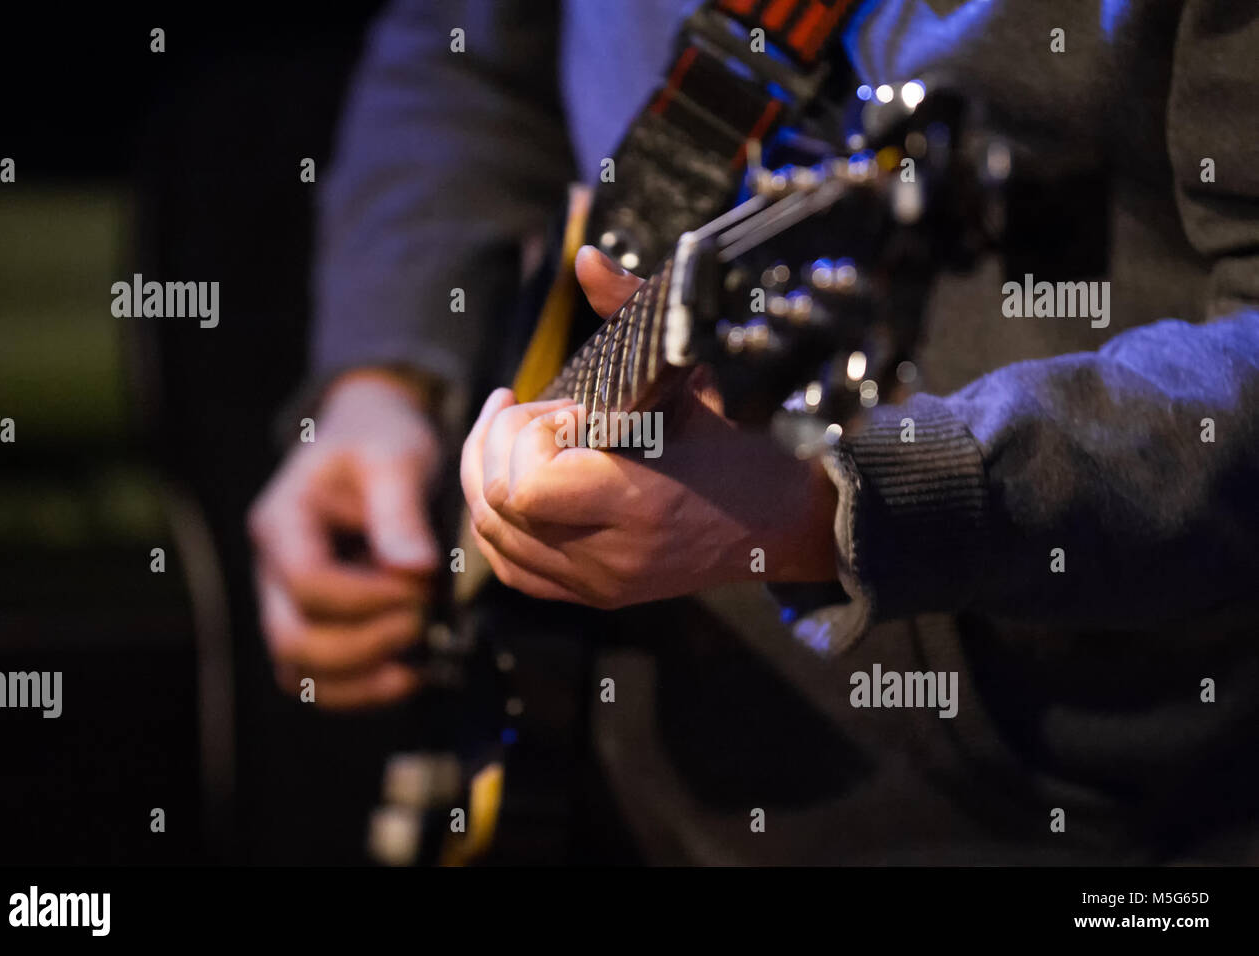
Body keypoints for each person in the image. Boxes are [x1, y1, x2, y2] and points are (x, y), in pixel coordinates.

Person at [248, 0, 1259, 864]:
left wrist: (838, 505)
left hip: (1067, 800)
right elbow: (468, 55)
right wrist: (384, 383)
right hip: (608, 747)